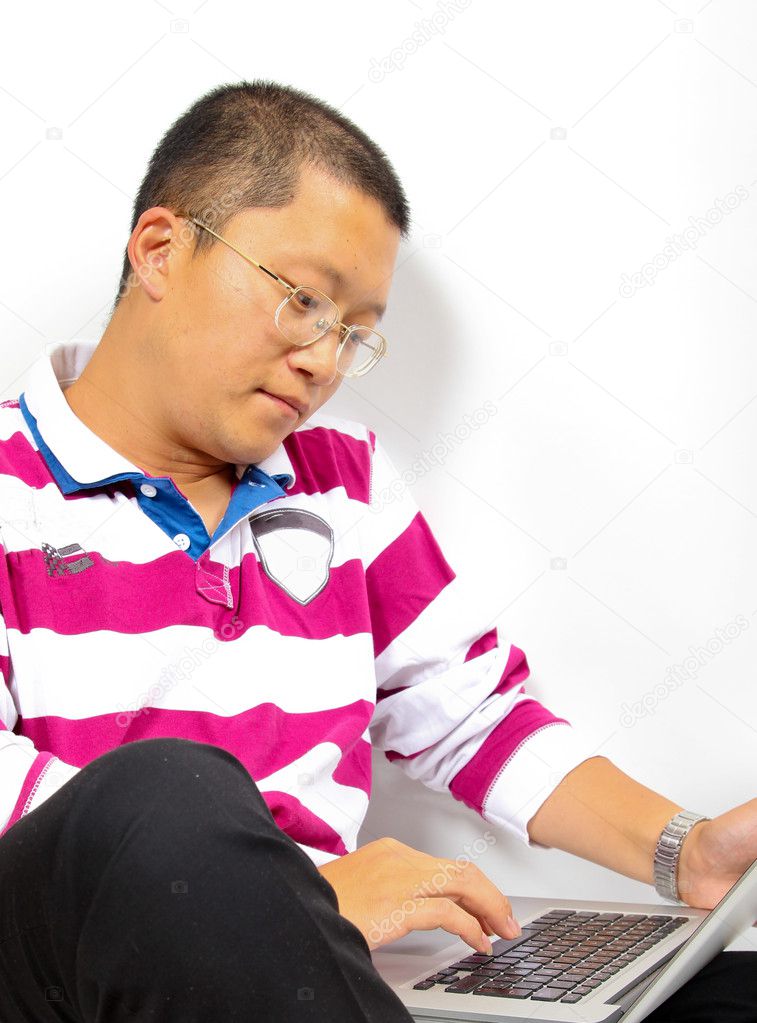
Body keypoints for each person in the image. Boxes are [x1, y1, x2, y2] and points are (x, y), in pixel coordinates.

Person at [0, 80, 754, 1022]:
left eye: (353, 332)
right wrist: (289, 902)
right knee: (169, 788)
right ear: (160, 249)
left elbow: (467, 713)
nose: (323, 357)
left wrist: (682, 847)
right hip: (81, 977)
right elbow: (82, 839)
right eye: (300, 299)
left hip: (328, 973)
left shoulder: (340, 478)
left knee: (725, 994)